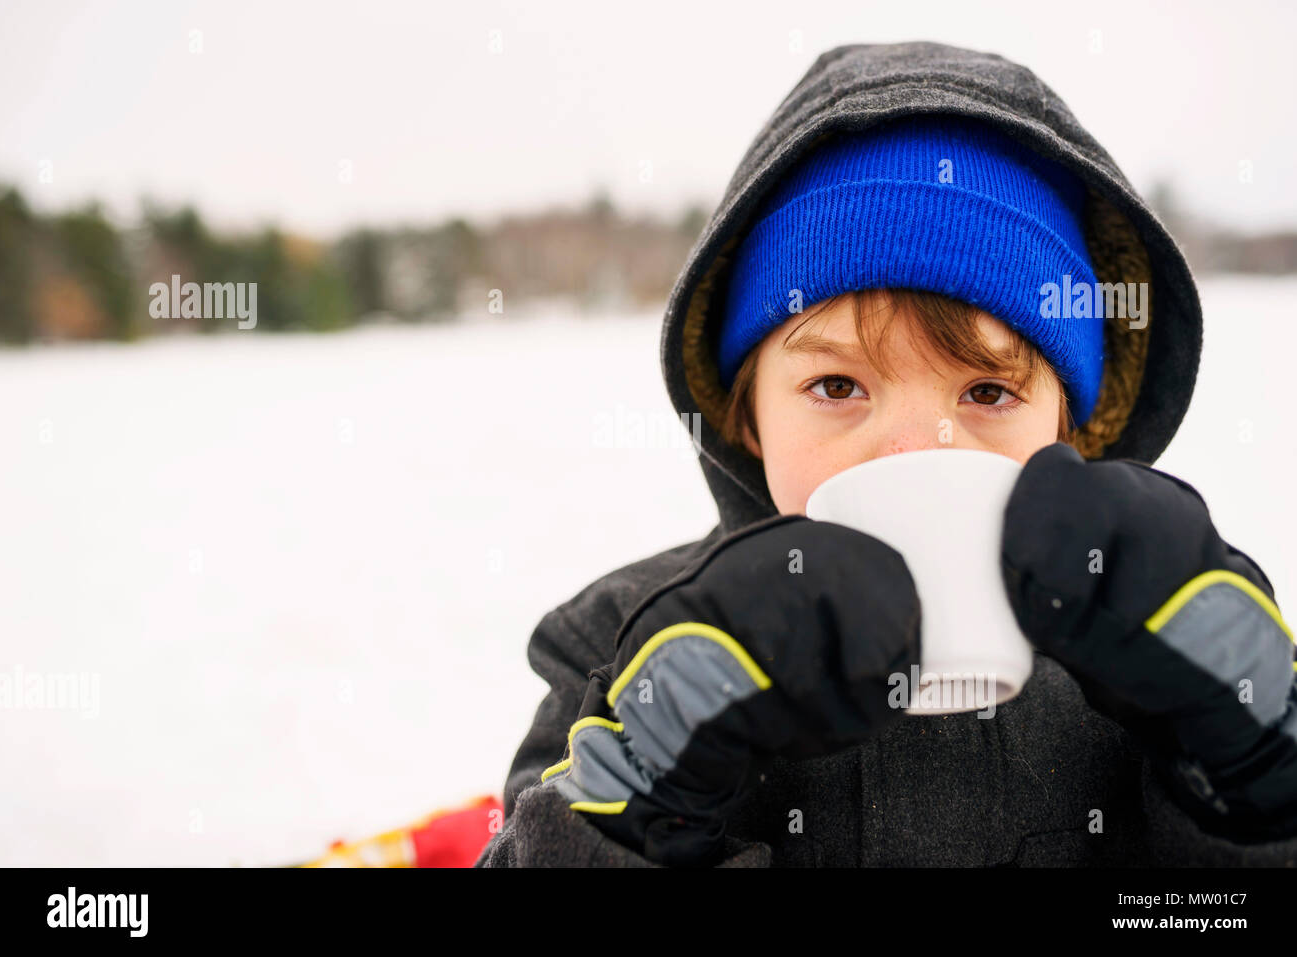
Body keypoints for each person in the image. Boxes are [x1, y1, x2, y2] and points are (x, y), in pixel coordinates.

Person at [475, 41, 1297, 867]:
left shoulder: (1160, 631)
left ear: (1068, 432)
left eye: (986, 392)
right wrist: (646, 778)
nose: (910, 449)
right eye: (836, 387)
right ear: (747, 415)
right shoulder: (621, 644)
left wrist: (1250, 747)